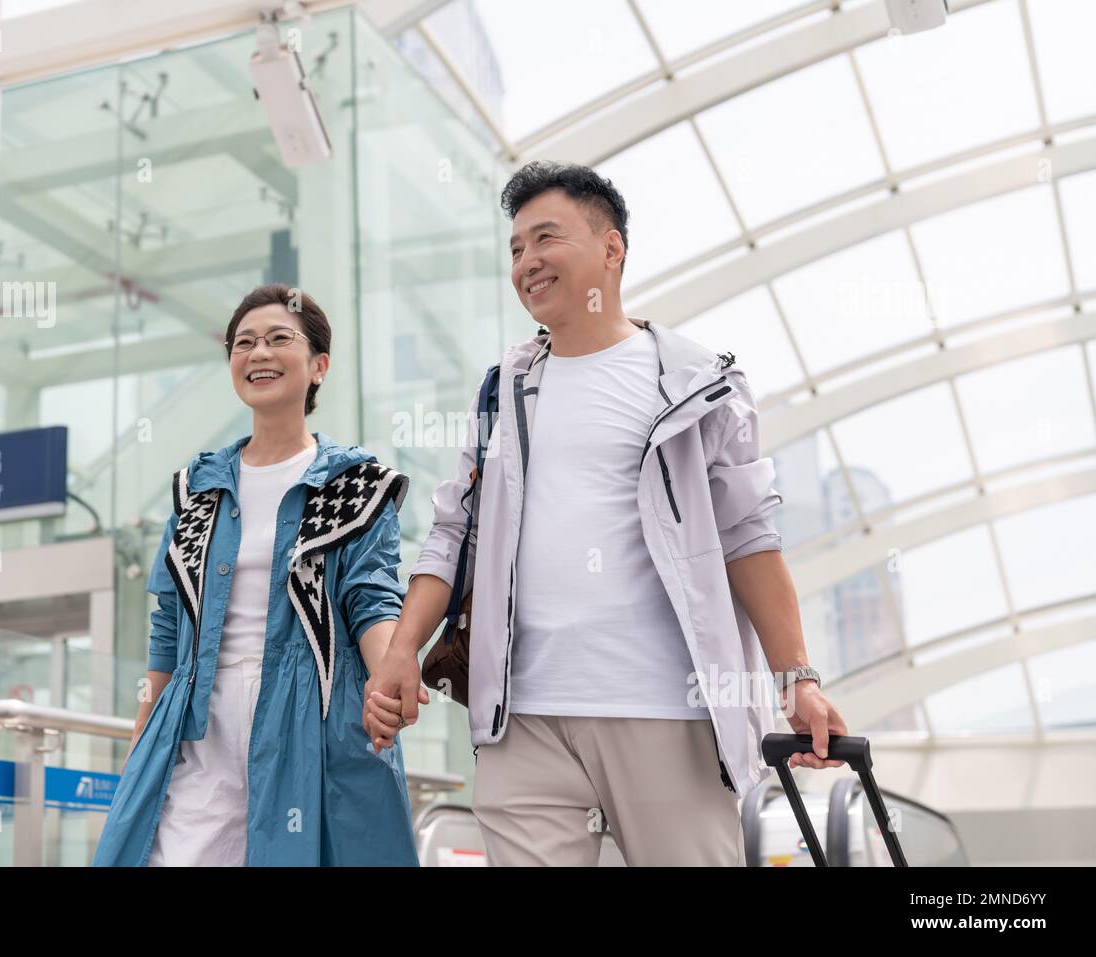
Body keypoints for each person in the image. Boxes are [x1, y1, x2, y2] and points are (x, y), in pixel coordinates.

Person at [363, 161, 848, 866]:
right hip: (521, 720)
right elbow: (453, 531)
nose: (526, 262)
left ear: (611, 248)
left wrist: (794, 677)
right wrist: (403, 648)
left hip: (668, 714)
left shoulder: (696, 382)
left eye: (545, 239)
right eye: (516, 249)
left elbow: (748, 537)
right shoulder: (504, 390)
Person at [93, 282, 425, 866]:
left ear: (319, 365)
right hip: (199, 722)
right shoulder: (197, 489)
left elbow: (371, 600)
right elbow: (169, 628)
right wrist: (141, 743)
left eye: (279, 339)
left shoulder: (357, 487)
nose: (258, 353)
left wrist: (386, 677)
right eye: (243, 343)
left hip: (311, 723)